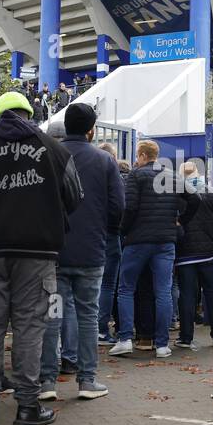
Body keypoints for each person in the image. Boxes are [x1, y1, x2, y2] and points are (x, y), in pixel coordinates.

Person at [0, 92, 82, 425]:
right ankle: (27, 406)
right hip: (36, 254)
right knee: (29, 328)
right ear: (29, 113)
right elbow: (74, 197)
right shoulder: (55, 150)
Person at [39, 103, 125, 400]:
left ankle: (47, 381)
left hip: (53, 250)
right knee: (88, 314)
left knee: (52, 314)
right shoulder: (104, 161)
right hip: (91, 249)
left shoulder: (48, 155)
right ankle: (87, 381)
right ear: (92, 131)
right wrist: (104, 230)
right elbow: (117, 207)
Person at [111, 140, 198, 359]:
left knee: (125, 289)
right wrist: (180, 221)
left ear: (141, 155)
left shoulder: (136, 175)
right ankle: (162, 345)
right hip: (165, 242)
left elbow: (129, 207)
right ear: (156, 155)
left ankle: (124, 339)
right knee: (163, 291)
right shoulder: (171, 176)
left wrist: (123, 230)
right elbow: (194, 198)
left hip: (138, 241)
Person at [174, 162, 213, 349]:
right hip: (209, 254)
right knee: (212, 293)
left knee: (187, 295)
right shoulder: (211, 193)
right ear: (199, 174)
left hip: (185, 254)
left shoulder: (176, 194)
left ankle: (185, 337)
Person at [95, 141, 123, 343]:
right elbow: (119, 206)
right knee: (107, 285)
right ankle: (101, 329)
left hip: (90, 235)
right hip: (111, 235)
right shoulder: (114, 177)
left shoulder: (89, 174)